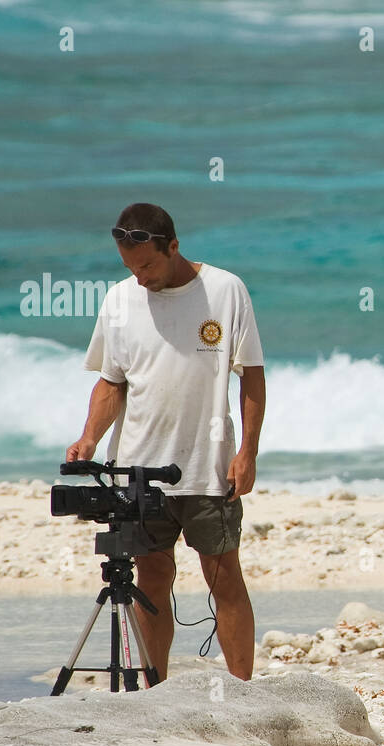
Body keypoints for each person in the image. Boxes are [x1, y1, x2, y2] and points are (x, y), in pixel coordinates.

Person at [66, 203, 265, 682]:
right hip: (138, 470)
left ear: (172, 246)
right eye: (130, 268)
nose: (139, 278)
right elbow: (112, 383)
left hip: (207, 468)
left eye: (148, 265)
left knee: (224, 577)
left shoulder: (225, 291)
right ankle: (157, 690)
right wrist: (89, 436)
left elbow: (252, 378)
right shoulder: (119, 300)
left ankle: (244, 693)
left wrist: (248, 453)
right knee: (152, 579)